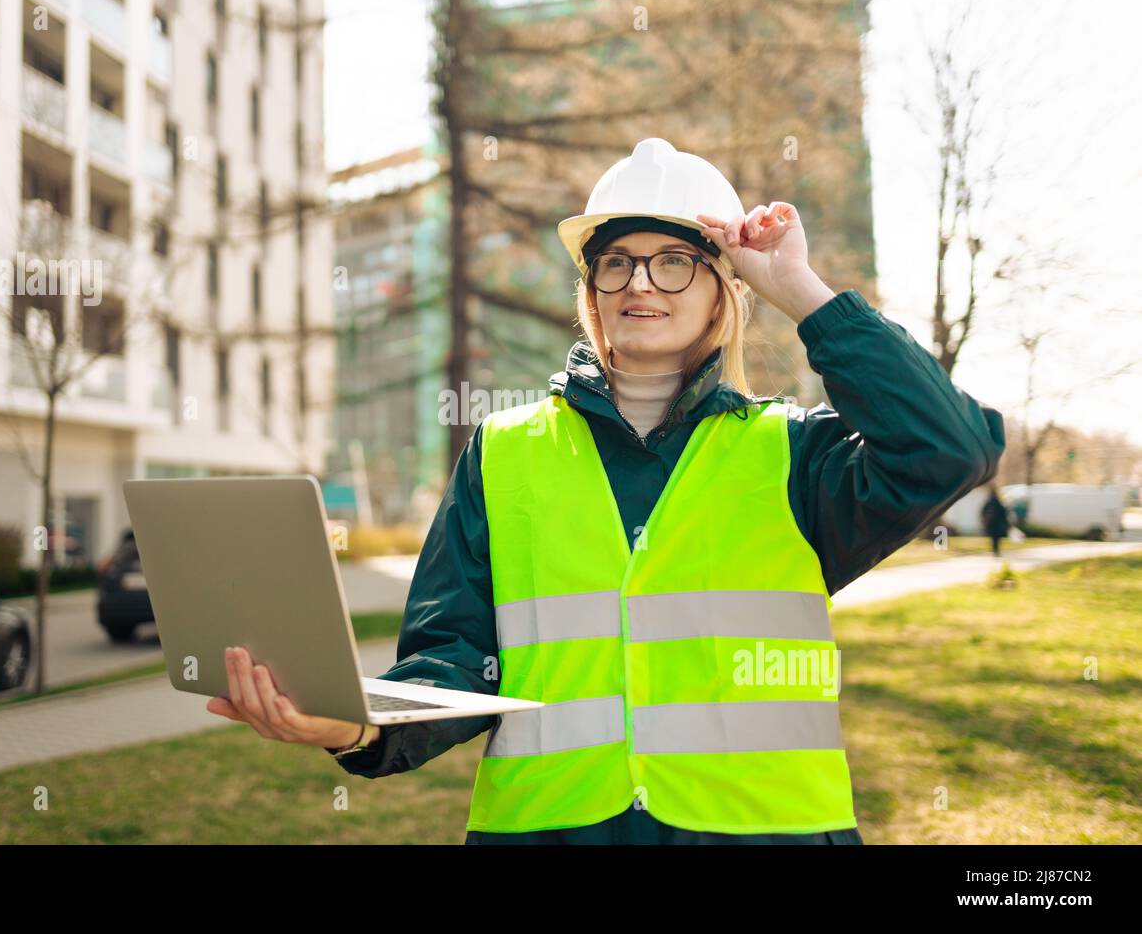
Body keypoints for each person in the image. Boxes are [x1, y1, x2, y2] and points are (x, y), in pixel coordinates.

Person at [207, 138, 1006, 845]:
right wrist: (355, 725)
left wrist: (800, 291)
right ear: (592, 287)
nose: (639, 283)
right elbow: (451, 661)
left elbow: (950, 448)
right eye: (616, 261)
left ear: (724, 287)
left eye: (675, 261)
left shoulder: (797, 456)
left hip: (768, 833)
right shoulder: (504, 453)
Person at [980, 485, 1011, 556]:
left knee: (993, 538)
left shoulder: (988, 502)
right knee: (997, 538)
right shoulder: (998, 502)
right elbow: (1003, 513)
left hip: (991, 524)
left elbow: (982, 512)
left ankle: (995, 550)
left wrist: (983, 521)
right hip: (997, 524)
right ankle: (996, 550)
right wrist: (1006, 523)